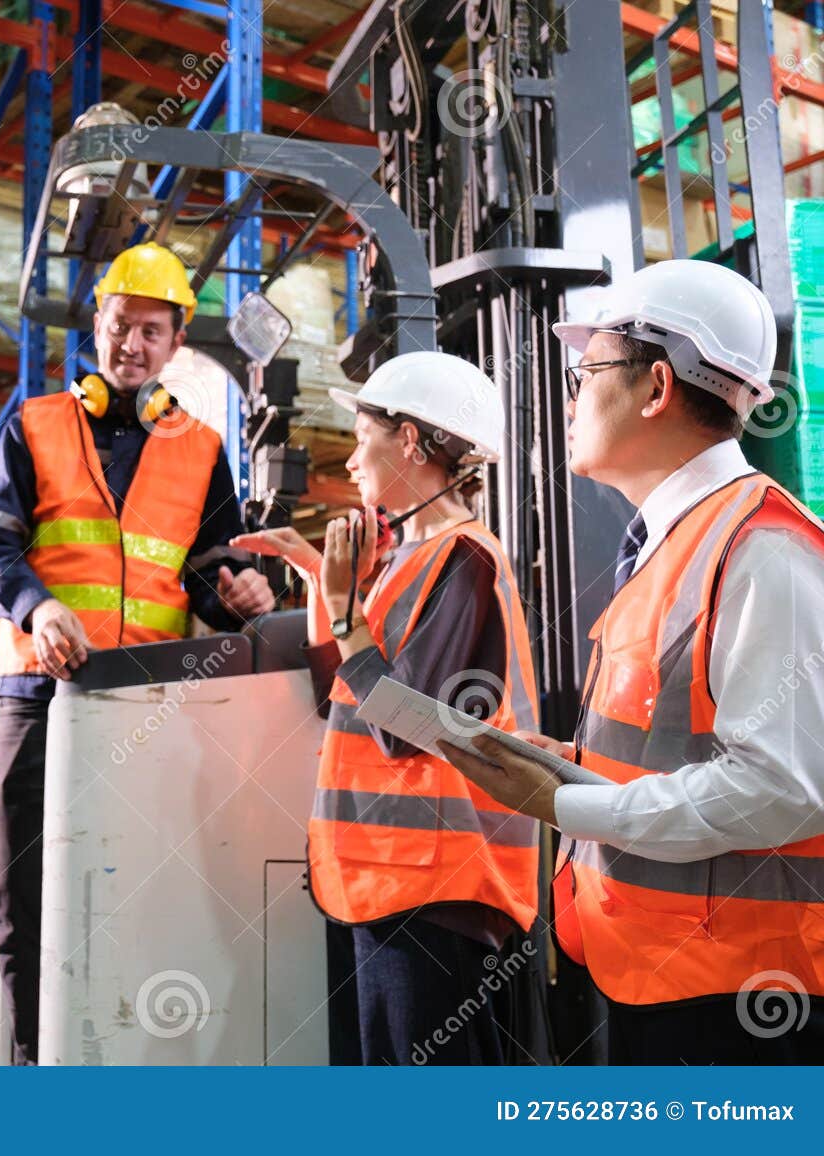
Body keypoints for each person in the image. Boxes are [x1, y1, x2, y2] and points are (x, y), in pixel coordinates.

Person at [440, 259, 824, 1064]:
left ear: (655, 387)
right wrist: (573, 766)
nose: (570, 401)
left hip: (741, 1004)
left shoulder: (762, 548)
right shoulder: (676, 540)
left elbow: (783, 788)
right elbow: (678, 739)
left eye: (585, 374)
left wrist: (570, 805)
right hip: (659, 974)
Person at [0, 242, 276, 1064]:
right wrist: (40, 607)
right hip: (41, 693)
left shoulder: (202, 448)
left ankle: (121, 1062)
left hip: (147, 699)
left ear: (175, 343)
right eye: (118, 325)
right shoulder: (34, 425)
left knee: (137, 889)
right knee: (24, 893)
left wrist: (240, 594)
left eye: (149, 331)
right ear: (96, 325)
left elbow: (210, 574)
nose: (130, 345)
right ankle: (37, 1069)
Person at [234, 352, 541, 1066]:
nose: (350, 461)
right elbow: (340, 693)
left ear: (409, 440)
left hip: (439, 889)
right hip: (387, 880)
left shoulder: (467, 560)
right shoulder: (407, 560)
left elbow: (408, 727)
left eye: (362, 435)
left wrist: (347, 609)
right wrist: (322, 581)